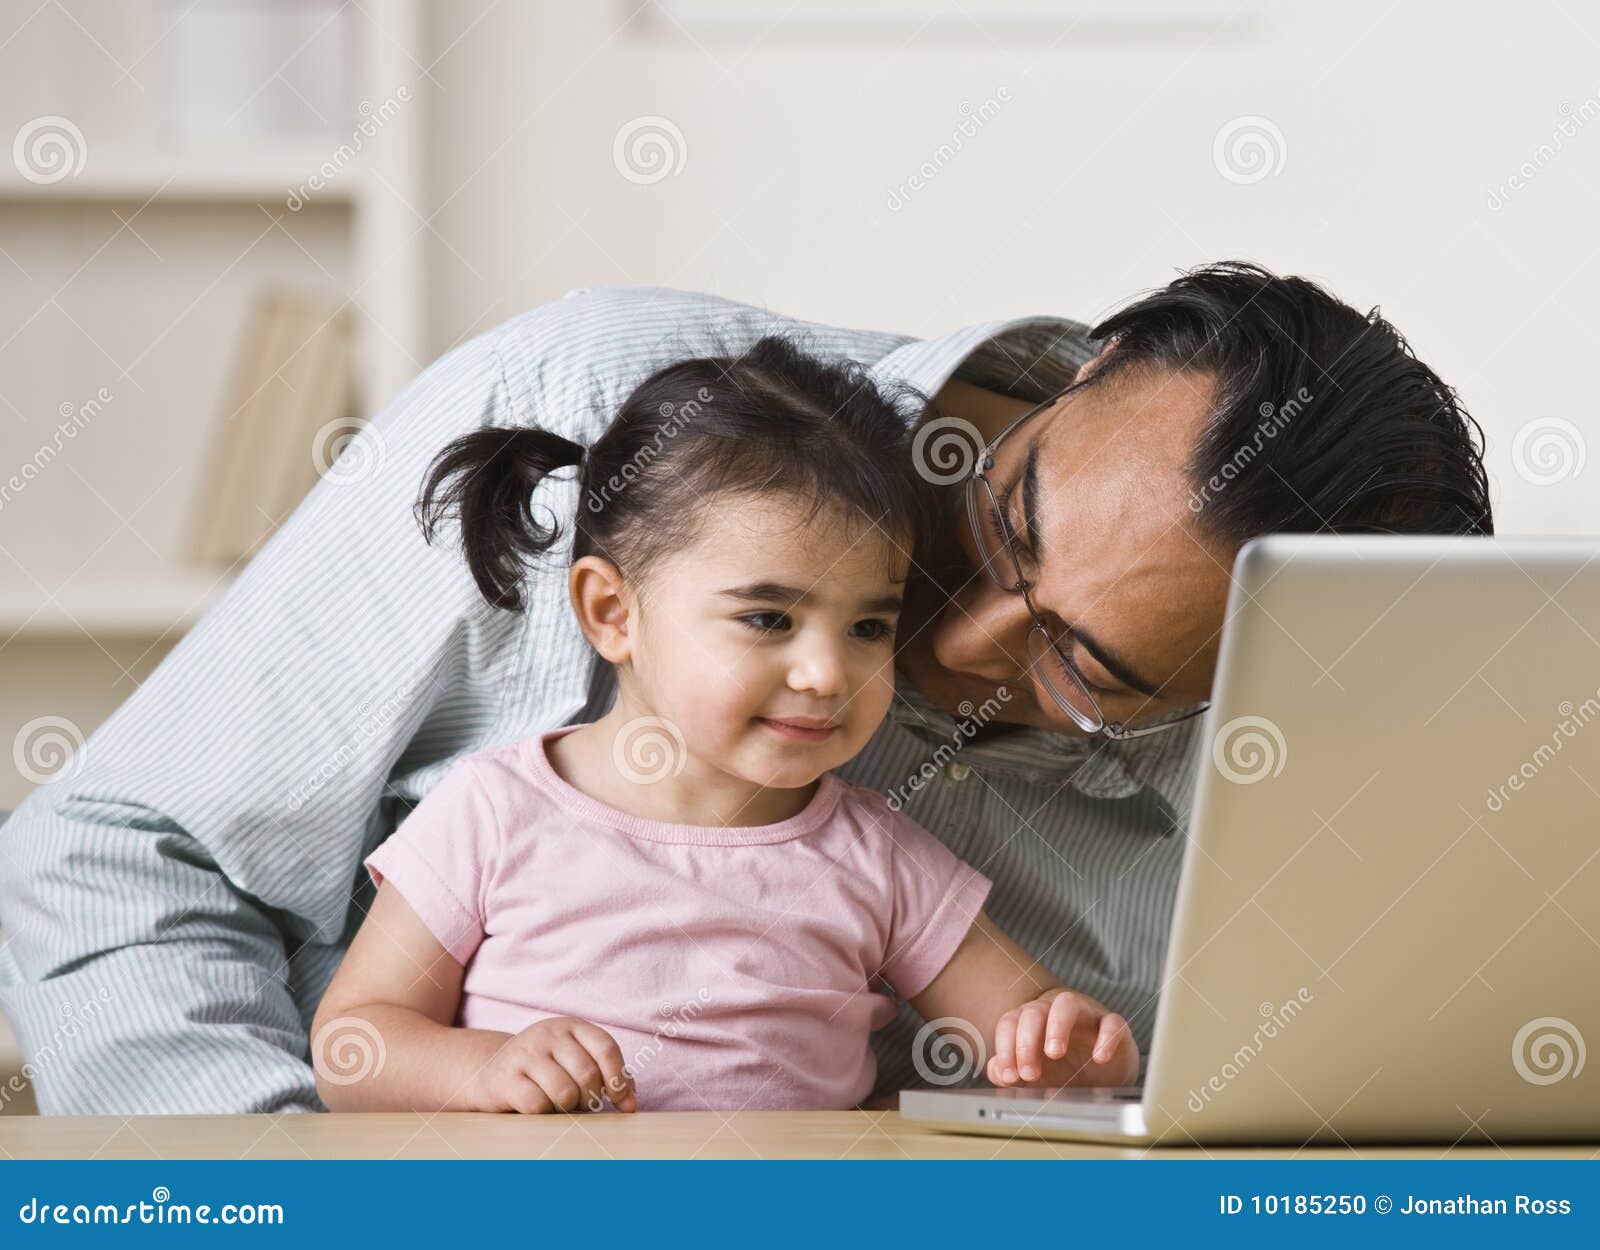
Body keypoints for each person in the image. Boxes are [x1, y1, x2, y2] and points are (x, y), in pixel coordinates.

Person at [0, 262, 1492, 1114]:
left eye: (1085, 668)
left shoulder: (1304, 794)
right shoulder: (600, 417)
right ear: (1083, 369)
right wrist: (293, 1204)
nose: (954, 647)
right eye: (1007, 518)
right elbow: (121, 856)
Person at [313, 336, 1138, 1114]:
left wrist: (1071, 1056)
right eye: (769, 620)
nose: (826, 675)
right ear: (612, 612)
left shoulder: (877, 857)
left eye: (868, 628)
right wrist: (485, 1067)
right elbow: (353, 1042)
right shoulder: (494, 812)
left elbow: (1031, 1022)